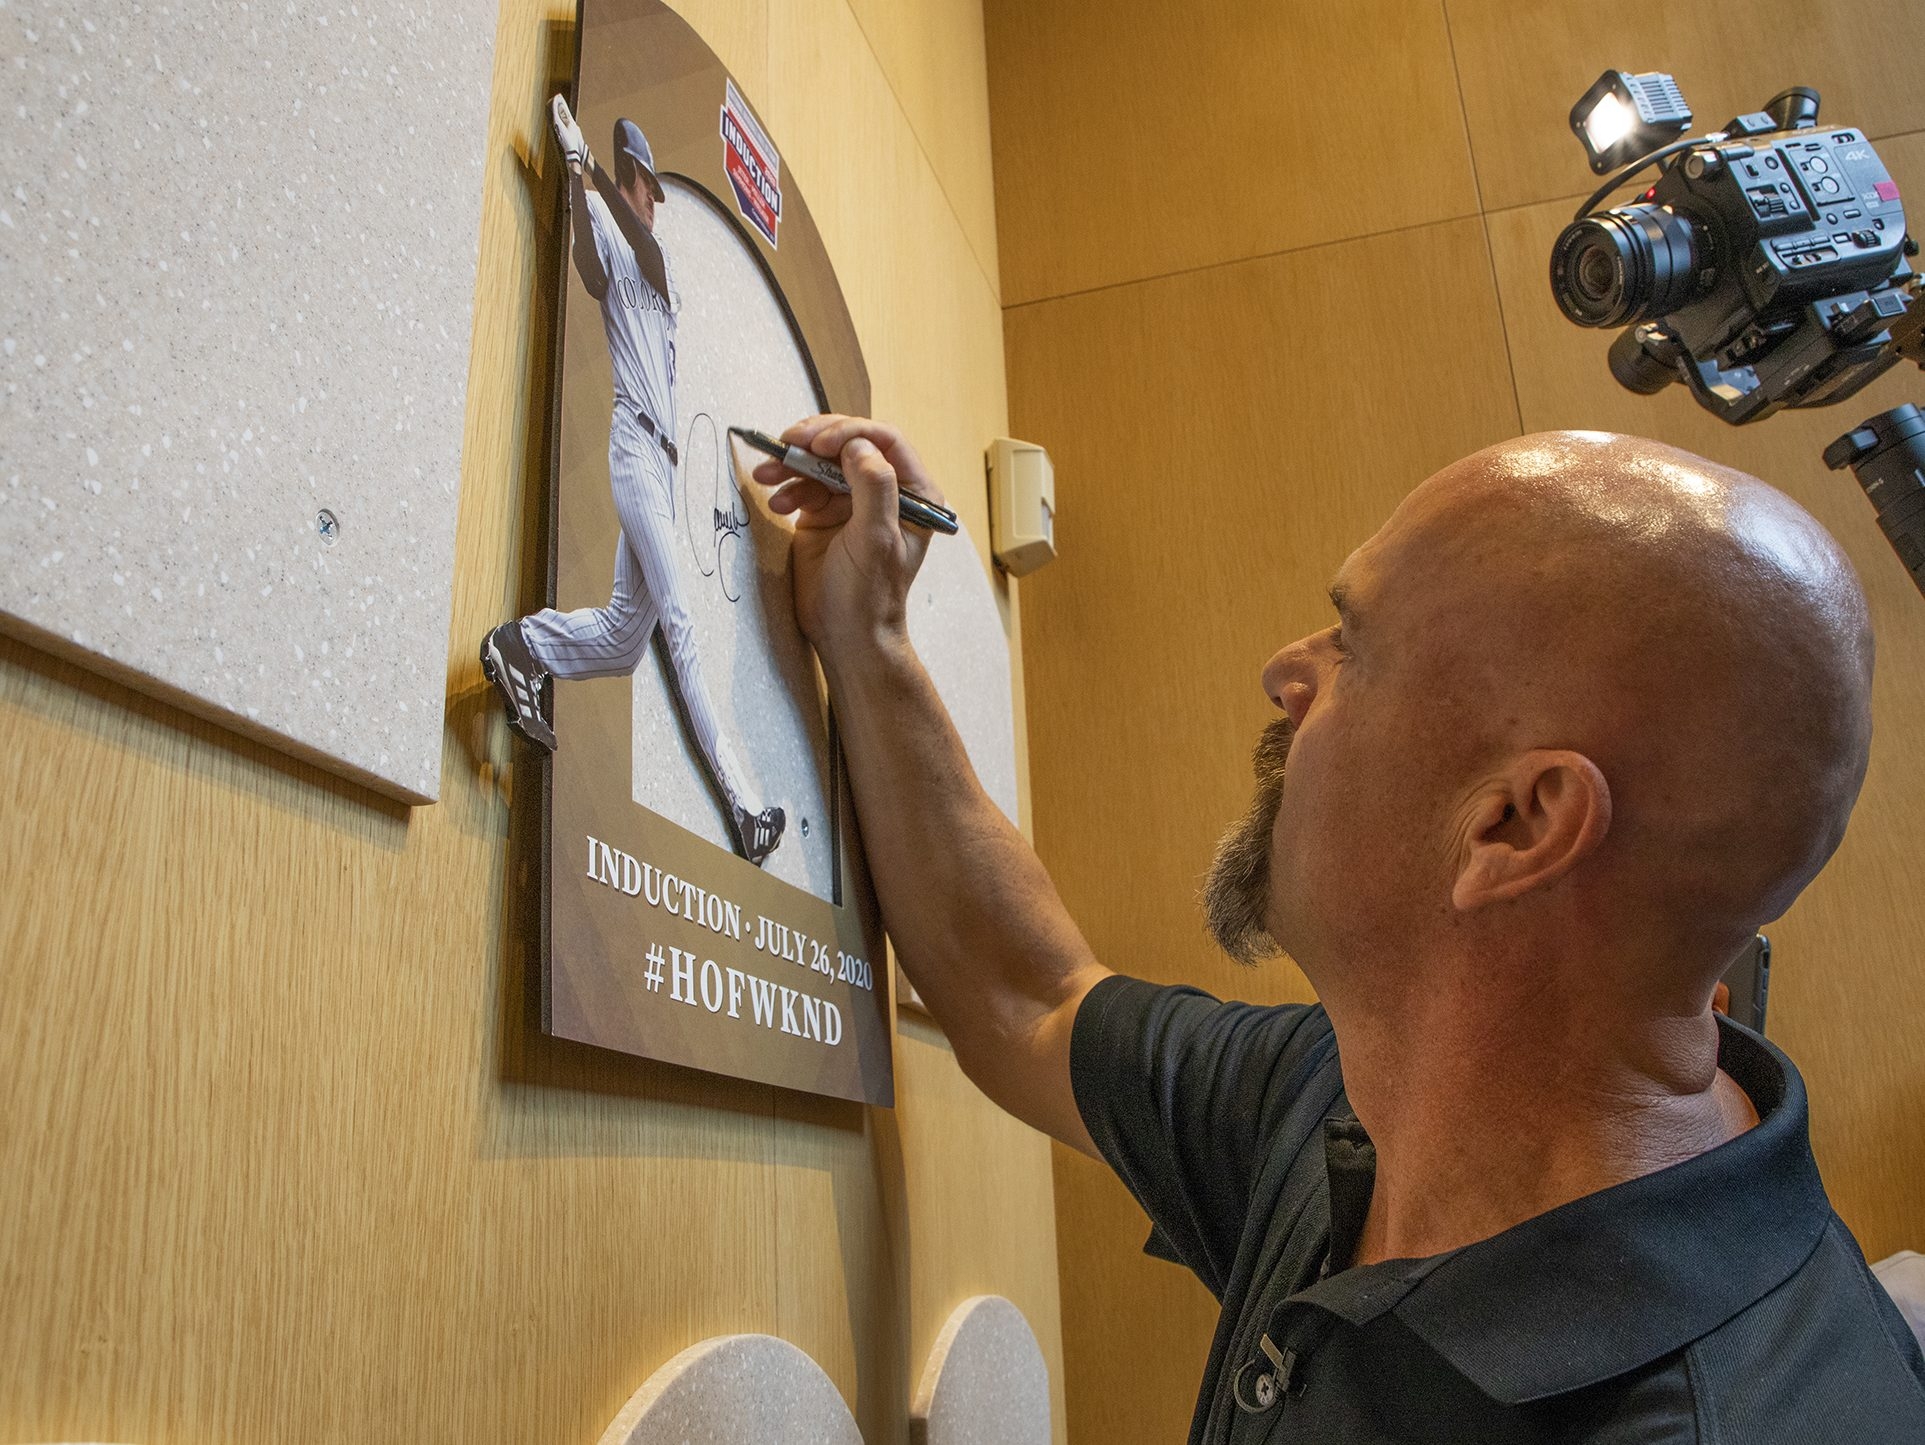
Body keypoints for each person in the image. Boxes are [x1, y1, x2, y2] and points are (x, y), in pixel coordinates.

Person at [750, 419, 1925, 1441]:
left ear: (1512, 824)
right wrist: (869, 633)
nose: (1285, 672)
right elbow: (1028, 998)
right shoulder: (1365, 1099)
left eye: (1347, 641)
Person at [482, 96, 785, 866]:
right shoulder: (614, 234)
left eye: (637, 181)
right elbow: (590, 265)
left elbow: (637, 254)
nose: (635, 190)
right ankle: (745, 810)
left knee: (623, 640)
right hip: (633, 450)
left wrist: (595, 176)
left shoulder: (657, 257)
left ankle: (522, 645)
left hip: (657, 459)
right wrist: (577, 176)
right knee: (678, 626)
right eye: (629, 181)